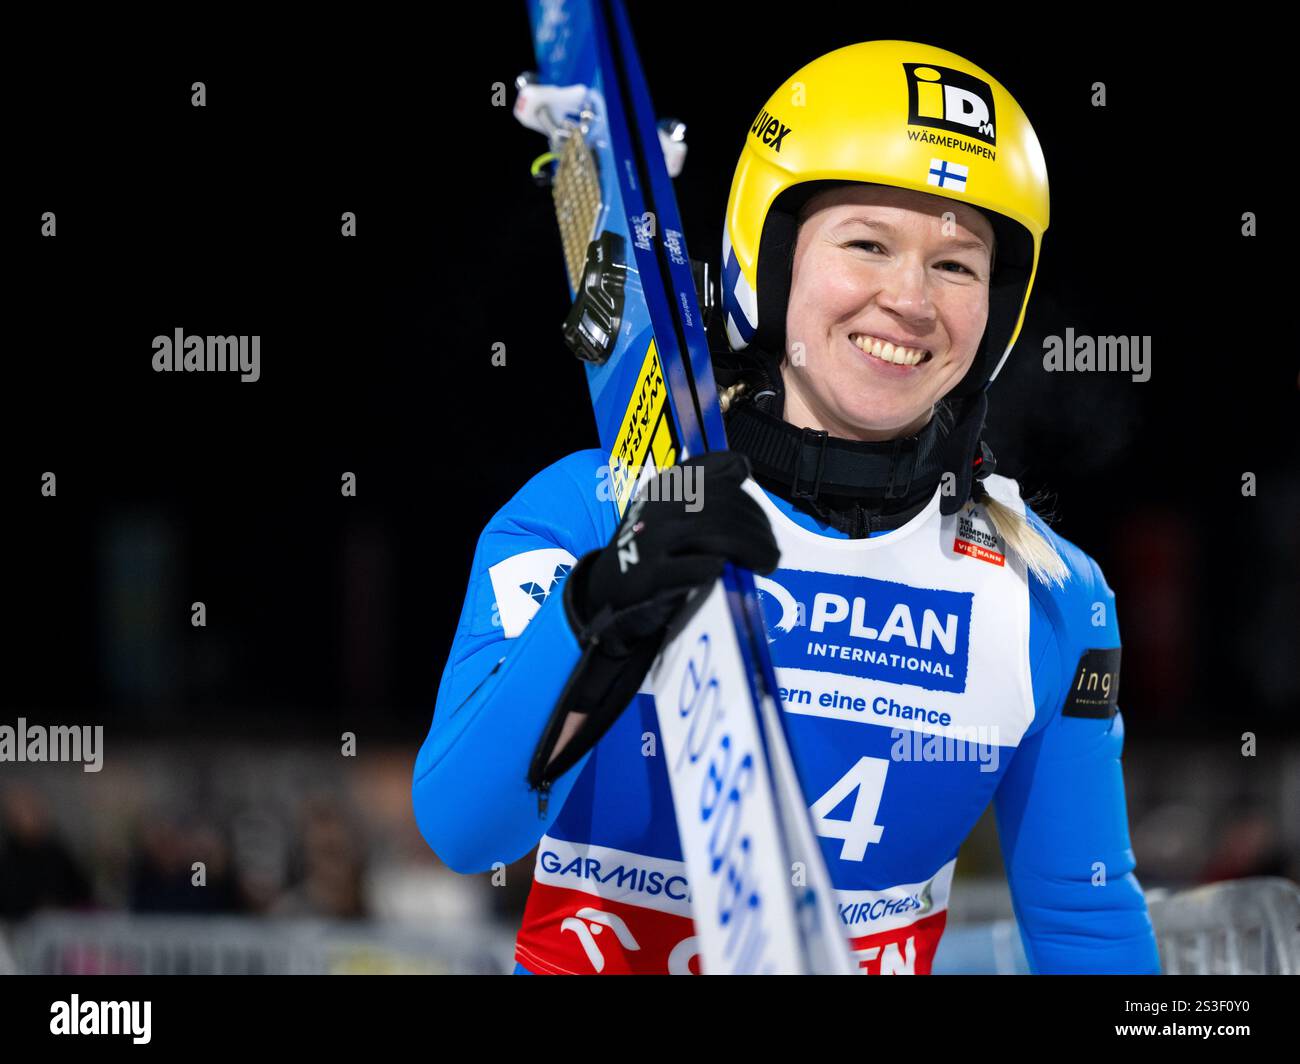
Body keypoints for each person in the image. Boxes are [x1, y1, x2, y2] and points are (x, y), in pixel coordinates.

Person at [412, 40, 1161, 975]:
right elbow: (465, 828)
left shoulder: (1049, 598)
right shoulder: (589, 511)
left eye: (958, 265)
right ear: (768, 260)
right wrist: (599, 612)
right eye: (868, 243)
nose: (910, 300)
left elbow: (1086, 930)